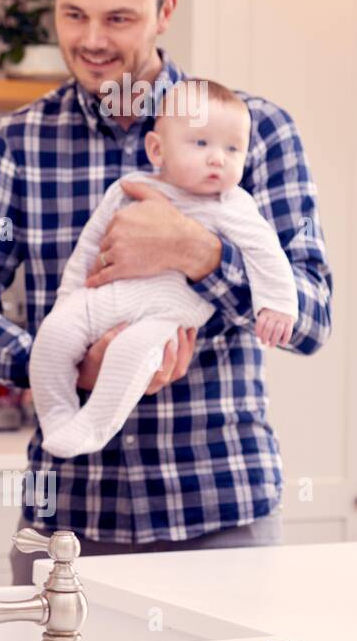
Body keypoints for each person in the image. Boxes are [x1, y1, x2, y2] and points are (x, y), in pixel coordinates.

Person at [0, 0, 332, 585]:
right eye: (73, 15)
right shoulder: (16, 144)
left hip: (222, 514)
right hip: (67, 524)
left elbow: (311, 319)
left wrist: (196, 253)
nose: (91, 41)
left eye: (118, 19)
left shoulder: (251, 134)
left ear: (165, 10)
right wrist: (69, 362)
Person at [30, 79, 297, 459]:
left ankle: (93, 426)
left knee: (131, 353)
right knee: (53, 336)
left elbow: (266, 251)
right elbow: (89, 245)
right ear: (158, 149)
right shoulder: (128, 188)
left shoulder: (232, 205)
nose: (218, 158)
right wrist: (70, 297)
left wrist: (277, 304)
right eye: (201, 143)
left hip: (165, 315)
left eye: (233, 148)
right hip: (103, 298)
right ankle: (57, 415)